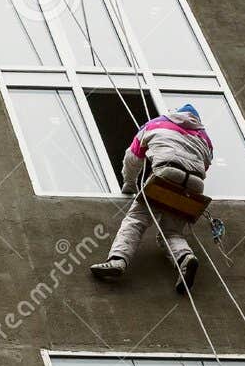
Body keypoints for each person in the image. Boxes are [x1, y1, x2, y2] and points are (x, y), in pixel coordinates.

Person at [90, 103, 213, 293]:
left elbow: (132, 158)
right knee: (172, 232)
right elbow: (204, 165)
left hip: (167, 173)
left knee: (136, 219)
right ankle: (185, 258)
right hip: (195, 185)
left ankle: (117, 260)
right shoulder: (205, 138)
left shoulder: (157, 123)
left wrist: (129, 184)